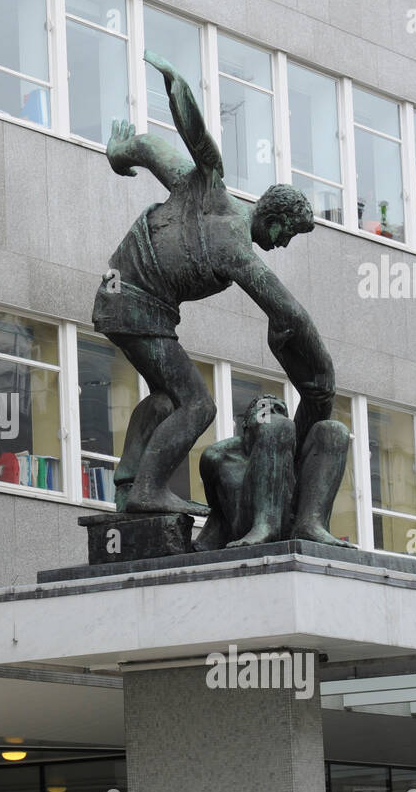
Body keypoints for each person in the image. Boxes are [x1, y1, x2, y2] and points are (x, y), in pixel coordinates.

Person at [94, 50, 334, 519]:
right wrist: (321, 371)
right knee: (198, 405)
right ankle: (147, 490)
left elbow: (153, 150)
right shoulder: (234, 242)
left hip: (122, 296)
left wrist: (120, 153)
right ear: (275, 218)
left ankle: (127, 484)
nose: (282, 245)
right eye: (287, 234)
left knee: (166, 398)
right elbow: (288, 310)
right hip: (135, 303)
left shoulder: (197, 189)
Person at [194, 394, 353, 549]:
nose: (271, 414)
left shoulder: (292, 451)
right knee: (278, 425)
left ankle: (311, 525)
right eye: (264, 409)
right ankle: (264, 525)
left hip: (291, 522)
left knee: (334, 430)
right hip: (246, 526)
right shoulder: (219, 455)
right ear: (246, 422)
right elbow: (217, 508)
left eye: (279, 410)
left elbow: (319, 397)